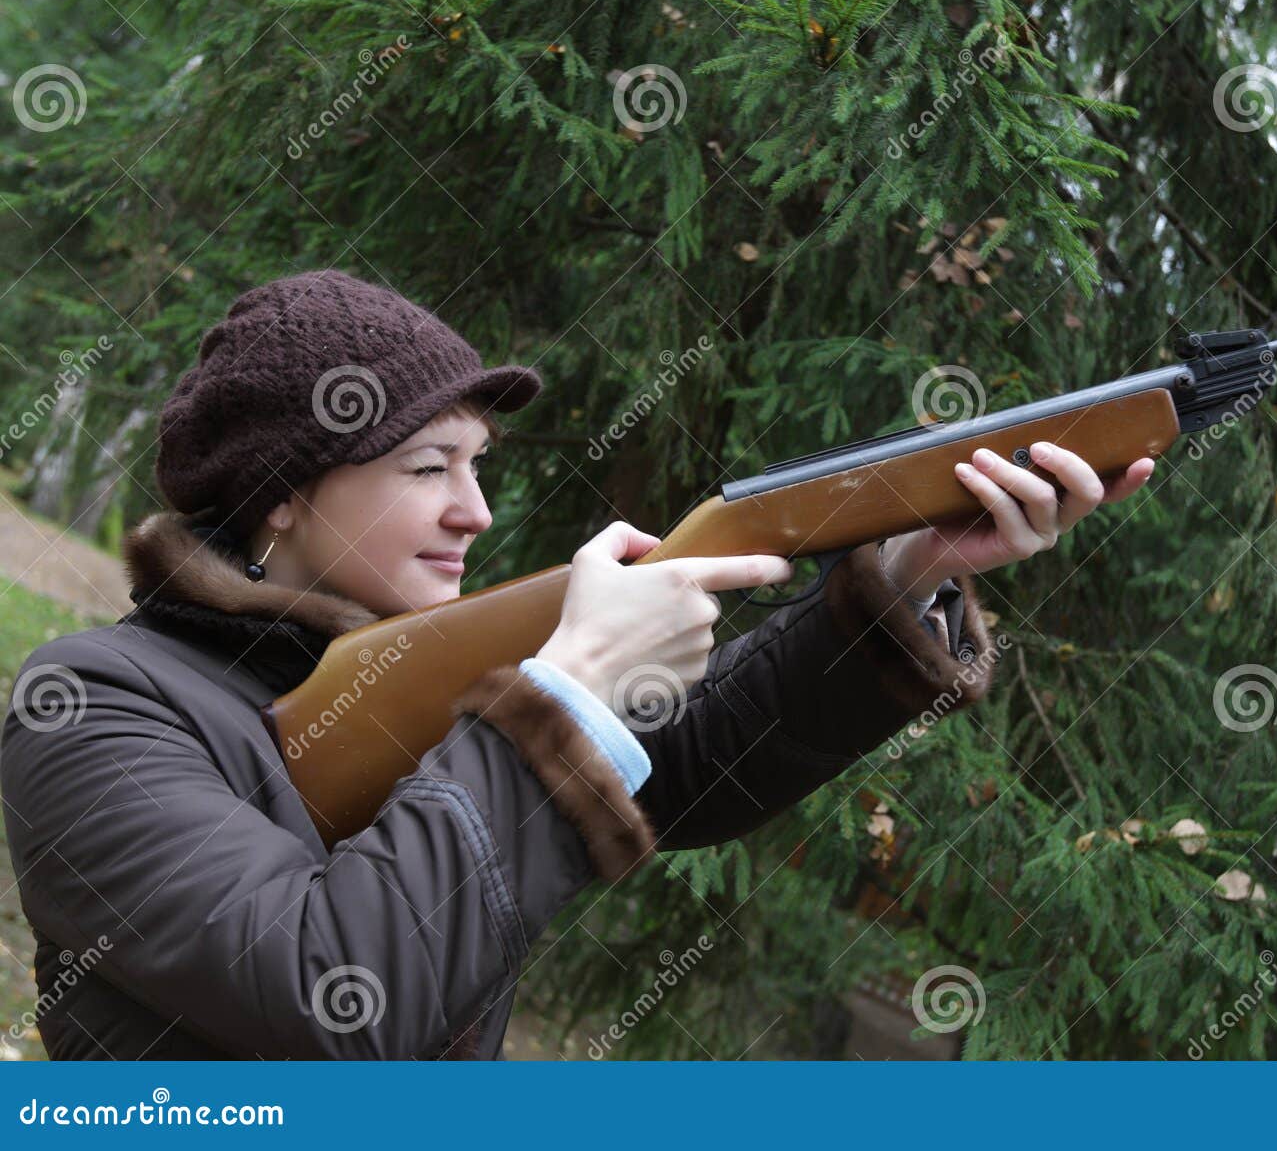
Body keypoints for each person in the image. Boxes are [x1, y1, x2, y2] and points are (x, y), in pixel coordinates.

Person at [0, 269, 1154, 1060]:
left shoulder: (414, 677)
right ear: (285, 491)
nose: (477, 511)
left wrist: (906, 570)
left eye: (480, 465)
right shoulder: (98, 703)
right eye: (427, 468)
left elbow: (691, 764)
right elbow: (331, 995)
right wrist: (568, 687)